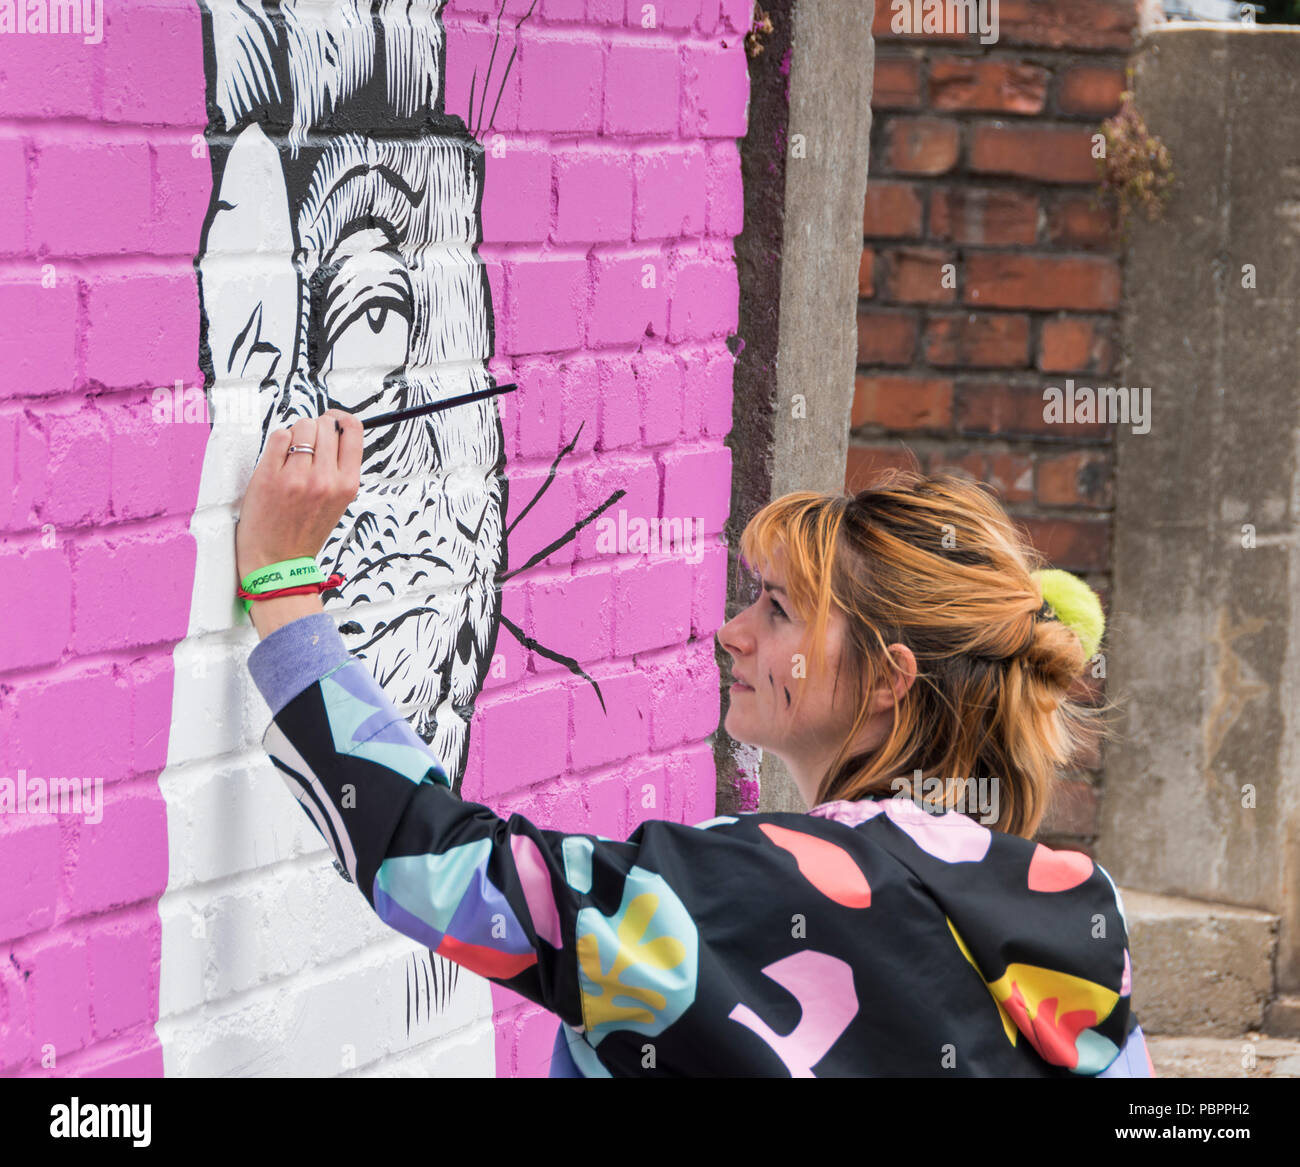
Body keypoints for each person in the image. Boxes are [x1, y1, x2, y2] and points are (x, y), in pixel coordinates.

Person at [235, 408, 1155, 1077]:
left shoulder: (724, 889)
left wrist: (283, 586)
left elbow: (432, 864)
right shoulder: (1073, 908)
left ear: (888, 679)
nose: (733, 633)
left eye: (780, 609)